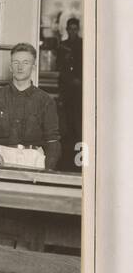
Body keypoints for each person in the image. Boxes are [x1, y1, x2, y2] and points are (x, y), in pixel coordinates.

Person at [0, 42, 61, 170]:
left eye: (26, 62)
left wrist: (48, 169)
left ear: (33, 67)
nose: (20, 67)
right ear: (10, 67)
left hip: (33, 160)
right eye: (16, 62)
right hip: (1, 158)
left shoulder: (45, 100)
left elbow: (52, 141)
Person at [56, 16, 83, 170]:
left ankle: (77, 158)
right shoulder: (63, 45)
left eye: (75, 29)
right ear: (66, 30)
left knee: (78, 121)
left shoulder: (83, 44)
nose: (72, 32)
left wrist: (79, 80)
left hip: (79, 90)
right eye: (70, 29)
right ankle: (67, 158)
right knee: (65, 122)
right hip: (67, 89)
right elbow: (59, 66)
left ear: (77, 30)